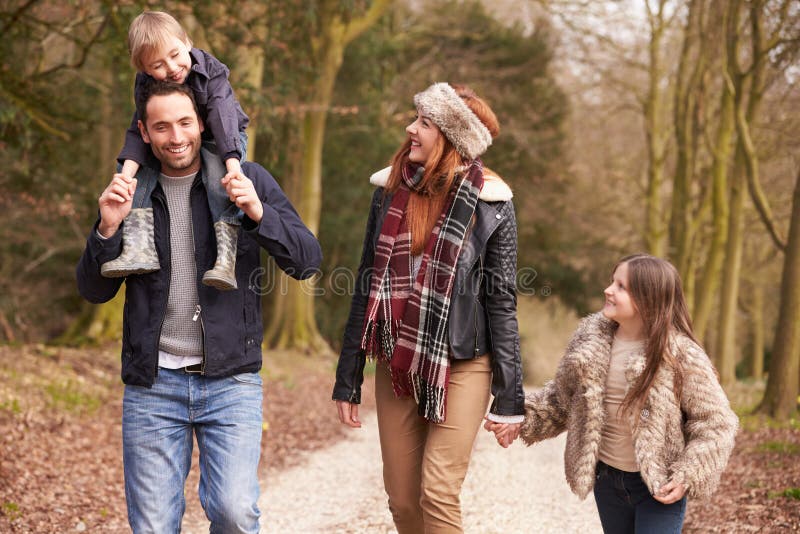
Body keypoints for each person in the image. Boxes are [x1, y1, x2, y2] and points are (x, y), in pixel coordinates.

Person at [76, 80, 322, 533]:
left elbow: (307, 261)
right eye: (162, 127)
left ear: (203, 123)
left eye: (185, 122)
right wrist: (107, 230)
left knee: (234, 513)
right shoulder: (133, 190)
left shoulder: (246, 179)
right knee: (153, 526)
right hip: (153, 385)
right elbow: (93, 291)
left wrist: (259, 214)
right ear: (144, 132)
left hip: (231, 382)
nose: (176, 137)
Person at [333, 82, 525, 533]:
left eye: (424, 122)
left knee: (437, 491)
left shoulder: (492, 203)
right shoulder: (388, 193)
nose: (410, 129)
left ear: (452, 137)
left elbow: (501, 302)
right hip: (397, 361)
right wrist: (348, 376)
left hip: (464, 363)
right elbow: (366, 284)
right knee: (403, 502)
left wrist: (510, 397)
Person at [487, 254, 738, 533]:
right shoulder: (590, 341)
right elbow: (561, 401)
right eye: (612, 282)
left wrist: (688, 474)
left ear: (647, 298)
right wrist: (516, 416)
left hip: (659, 484)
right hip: (607, 481)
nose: (608, 290)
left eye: (621, 286)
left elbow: (717, 422)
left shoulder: (680, 354)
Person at [101, 10, 251, 291]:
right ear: (145, 70)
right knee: (134, 174)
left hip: (223, 138)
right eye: (158, 65)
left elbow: (223, 119)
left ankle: (226, 257)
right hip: (173, 141)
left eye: (175, 54)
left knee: (217, 177)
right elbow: (138, 129)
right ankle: (139, 248)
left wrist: (233, 166)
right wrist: (125, 176)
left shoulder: (211, 71)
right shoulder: (146, 85)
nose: (171, 68)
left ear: (187, 42)